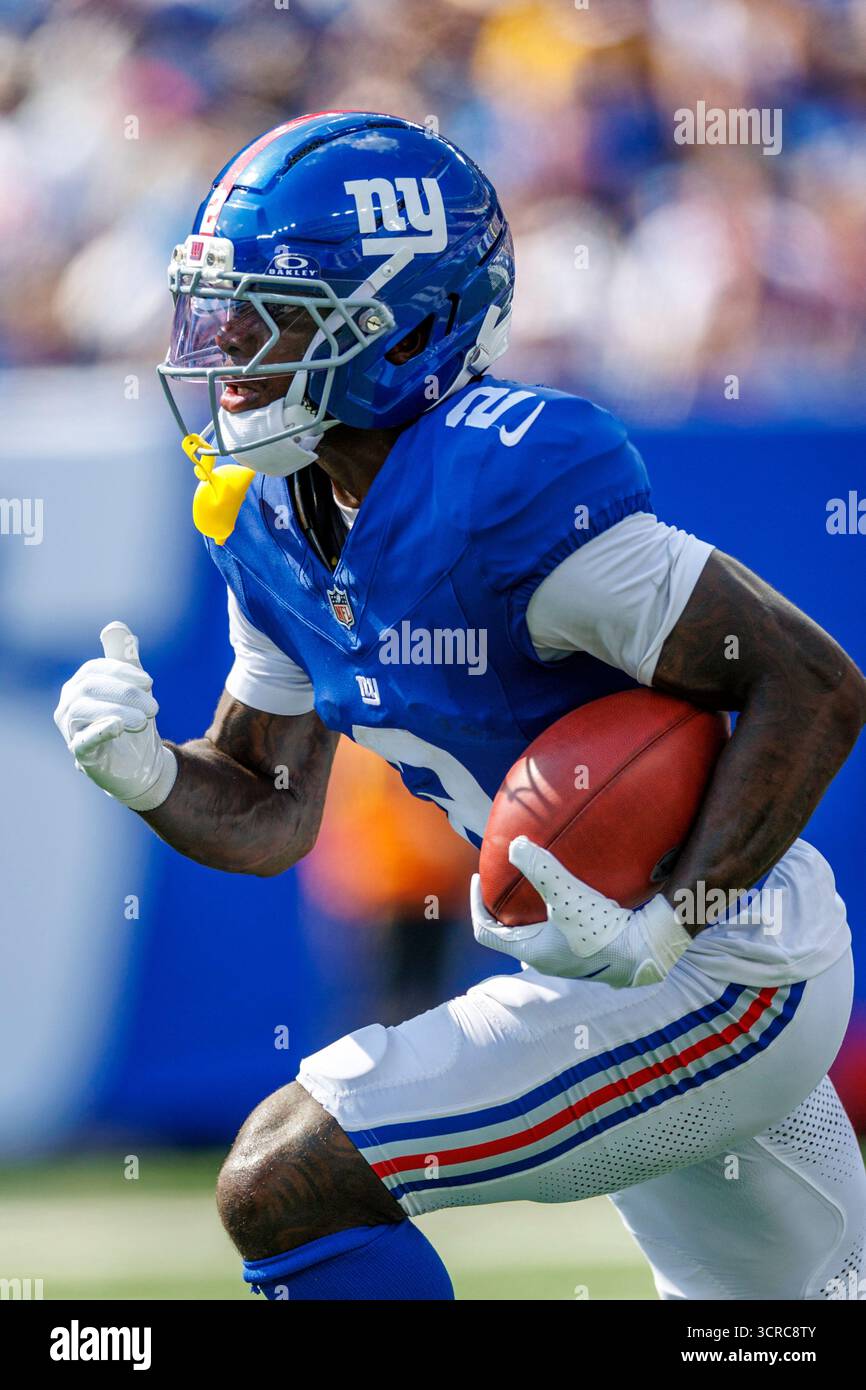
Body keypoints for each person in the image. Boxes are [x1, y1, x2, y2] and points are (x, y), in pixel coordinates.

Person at [55, 112, 866, 1301]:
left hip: (717, 967)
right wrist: (146, 769)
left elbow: (809, 681)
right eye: (219, 306)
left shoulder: (504, 486)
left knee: (285, 1176)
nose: (227, 347)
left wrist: (672, 919)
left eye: (274, 313)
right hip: (602, 972)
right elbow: (268, 809)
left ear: (404, 329)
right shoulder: (271, 514)